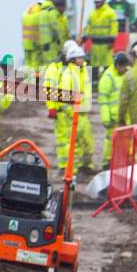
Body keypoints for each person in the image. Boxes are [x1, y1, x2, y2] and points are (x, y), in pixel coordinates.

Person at [47, 41, 95, 174]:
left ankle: (76, 166)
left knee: (80, 140)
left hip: (79, 110)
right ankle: (65, 166)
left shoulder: (81, 70)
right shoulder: (56, 68)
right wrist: (52, 107)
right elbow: (50, 89)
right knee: (65, 140)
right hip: (64, 111)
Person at [96, 51, 130, 163]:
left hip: (126, 116)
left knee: (127, 139)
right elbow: (103, 100)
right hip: (113, 117)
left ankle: (126, 161)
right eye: (122, 67)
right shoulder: (108, 77)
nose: (123, 69)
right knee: (111, 140)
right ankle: (107, 161)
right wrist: (106, 118)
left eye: (125, 66)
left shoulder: (128, 73)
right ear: (116, 65)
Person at [84, 0, 118, 72]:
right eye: (95, 2)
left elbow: (114, 27)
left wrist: (112, 41)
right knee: (94, 66)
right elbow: (89, 27)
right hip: (95, 44)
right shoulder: (92, 13)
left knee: (107, 66)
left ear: (103, 1)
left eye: (98, 2)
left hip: (106, 45)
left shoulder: (110, 13)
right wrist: (85, 37)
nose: (96, 3)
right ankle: (94, 82)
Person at [21, 0, 53, 68]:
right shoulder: (42, 13)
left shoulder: (28, 12)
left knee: (28, 63)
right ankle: (34, 79)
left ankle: (29, 78)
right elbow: (44, 29)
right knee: (36, 63)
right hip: (36, 43)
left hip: (26, 43)